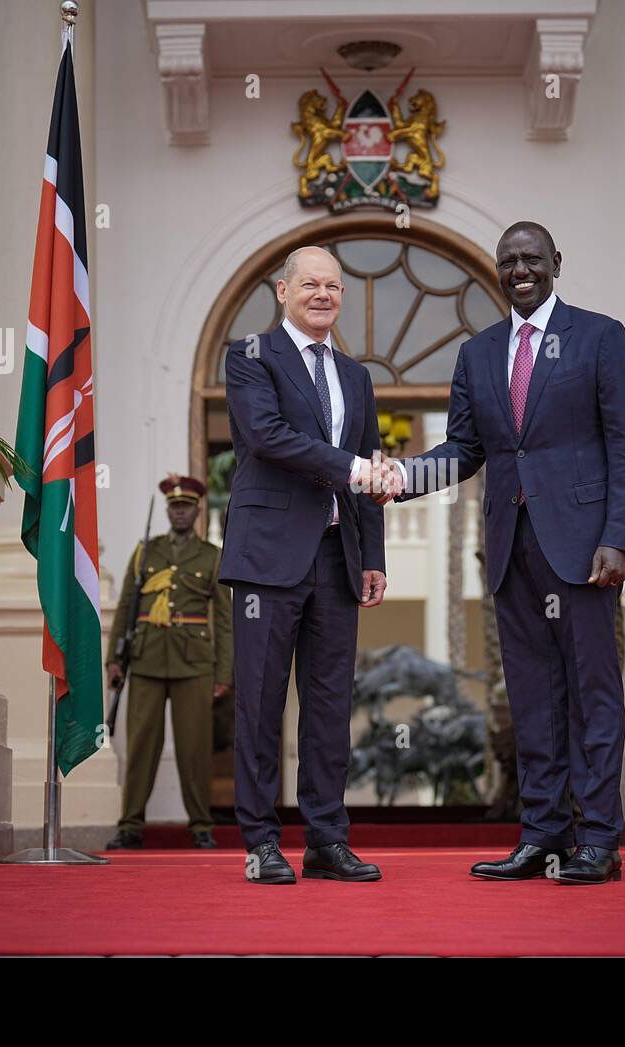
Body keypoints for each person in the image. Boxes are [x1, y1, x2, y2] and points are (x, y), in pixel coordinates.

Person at [374, 221, 625, 885]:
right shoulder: (478, 354)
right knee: (530, 698)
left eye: (531, 258)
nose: (519, 268)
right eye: (508, 261)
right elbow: (465, 451)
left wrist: (619, 536)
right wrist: (402, 478)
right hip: (510, 550)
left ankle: (598, 839)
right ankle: (542, 835)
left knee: (592, 696)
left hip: (584, 550)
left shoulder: (600, 336)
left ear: (556, 262)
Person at [220, 245, 392, 885]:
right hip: (267, 558)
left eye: (334, 286)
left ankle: (325, 839)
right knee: (261, 705)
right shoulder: (249, 357)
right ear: (283, 291)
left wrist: (371, 555)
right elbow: (267, 436)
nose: (323, 294)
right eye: (311, 284)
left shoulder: (356, 375)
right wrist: (349, 467)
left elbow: (370, 465)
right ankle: (262, 842)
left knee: (328, 706)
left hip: (335, 558)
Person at [105, 474, 232, 850]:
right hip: (145, 658)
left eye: (186, 506)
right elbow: (128, 605)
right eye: (174, 506)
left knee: (194, 747)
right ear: (167, 510)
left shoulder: (212, 557)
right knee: (141, 744)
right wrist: (116, 658)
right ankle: (130, 826)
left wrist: (223, 671)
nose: (180, 512)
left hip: (195, 663)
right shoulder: (146, 552)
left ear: (196, 510)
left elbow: (224, 619)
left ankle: (201, 826)